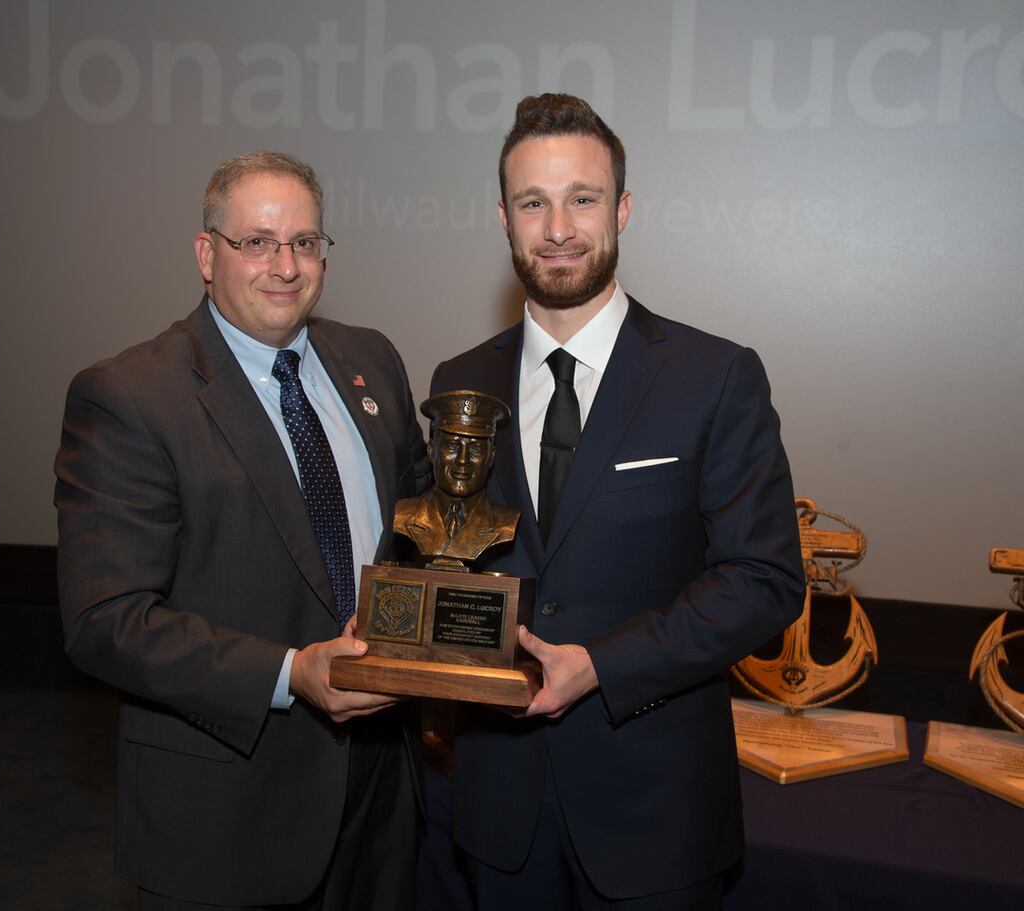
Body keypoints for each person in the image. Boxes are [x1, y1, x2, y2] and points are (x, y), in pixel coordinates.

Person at [429, 94, 806, 909]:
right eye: (534, 201)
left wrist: (601, 664)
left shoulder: (715, 377)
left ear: (623, 208)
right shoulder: (458, 385)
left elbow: (765, 579)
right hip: (498, 815)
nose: (558, 225)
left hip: (656, 816)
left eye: (582, 198)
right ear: (504, 218)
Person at [54, 151, 429, 910]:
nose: (284, 265)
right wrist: (293, 672)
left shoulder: (372, 360)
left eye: (304, 241)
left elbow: (415, 526)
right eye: (256, 241)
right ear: (206, 254)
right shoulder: (130, 396)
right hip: (228, 811)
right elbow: (106, 620)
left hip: (381, 795)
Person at [392, 390, 519, 564]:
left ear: (491, 457)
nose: (462, 460)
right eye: (452, 446)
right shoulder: (403, 515)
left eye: (475, 448)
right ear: (431, 451)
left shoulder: (505, 523)